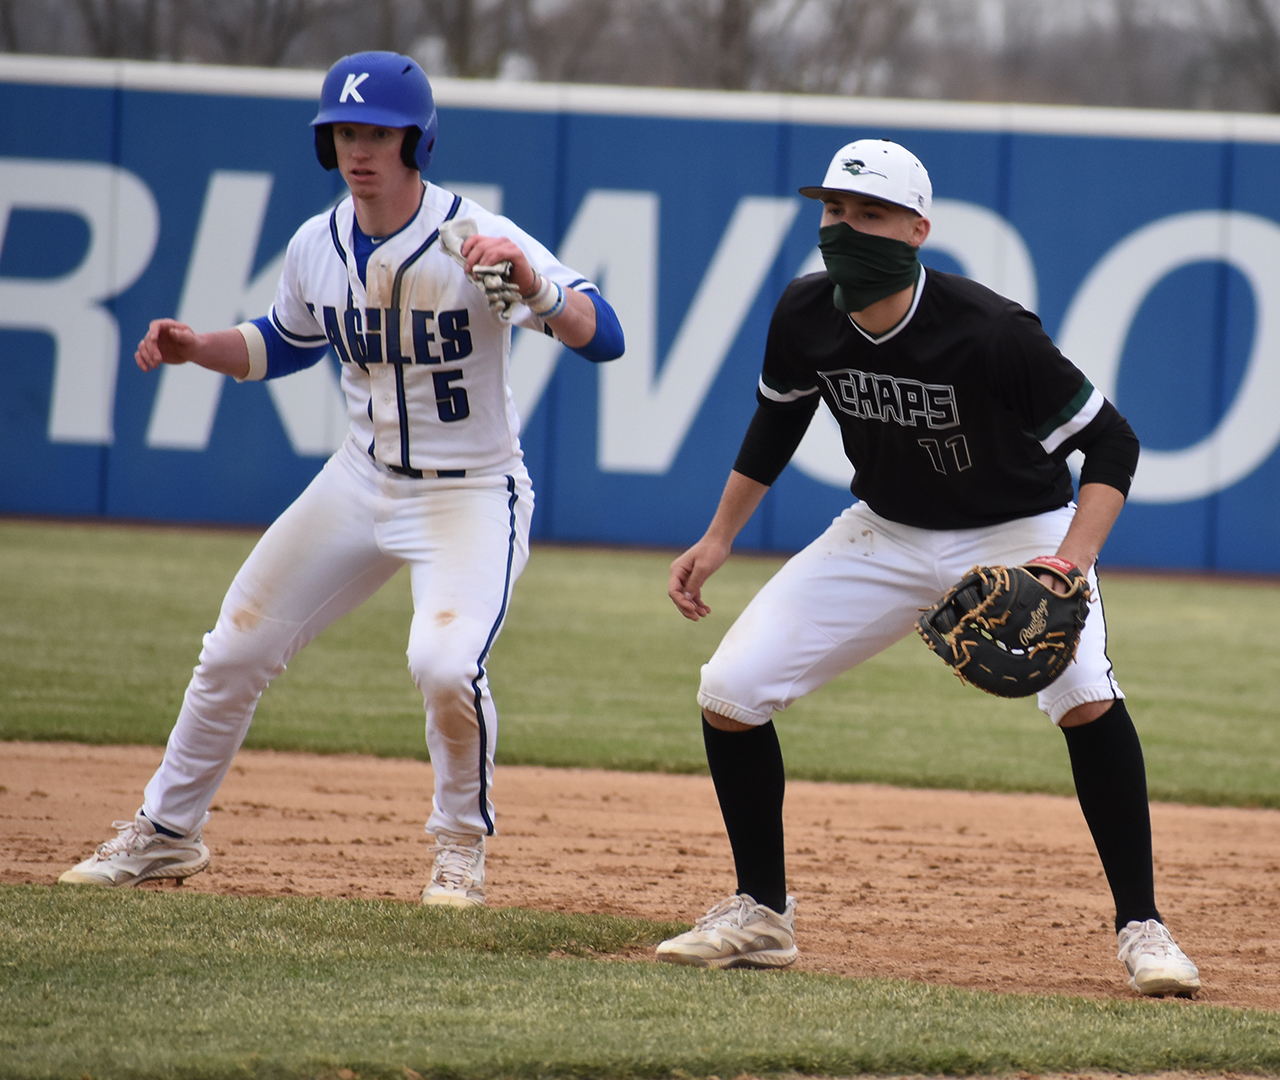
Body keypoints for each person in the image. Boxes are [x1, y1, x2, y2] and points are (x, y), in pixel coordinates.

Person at [58, 51, 624, 906]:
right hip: (360, 480)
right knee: (235, 646)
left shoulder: (473, 238)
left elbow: (603, 335)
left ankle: (459, 848)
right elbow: (283, 341)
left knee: (445, 664)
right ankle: (167, 831)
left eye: (379, 133)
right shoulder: (315, 244)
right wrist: (200, 347)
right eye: (345, 132)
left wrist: (535, 286)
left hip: (471, 491)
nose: (360, 149)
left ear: (416, 142)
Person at [657, 139, 1201, 997]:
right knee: (730, 691)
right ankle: (762, 913)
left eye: (869, 214)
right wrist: (720, 536)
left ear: (917, 230)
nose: (845, 229)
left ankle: (1144, 928)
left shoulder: (990, 332)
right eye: (834, 211)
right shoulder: (805, 312)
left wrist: (1068, 565)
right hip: (886, 531)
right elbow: (778, 419)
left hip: (1018, 530)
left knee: (1084, 694)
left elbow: (1112, 443)